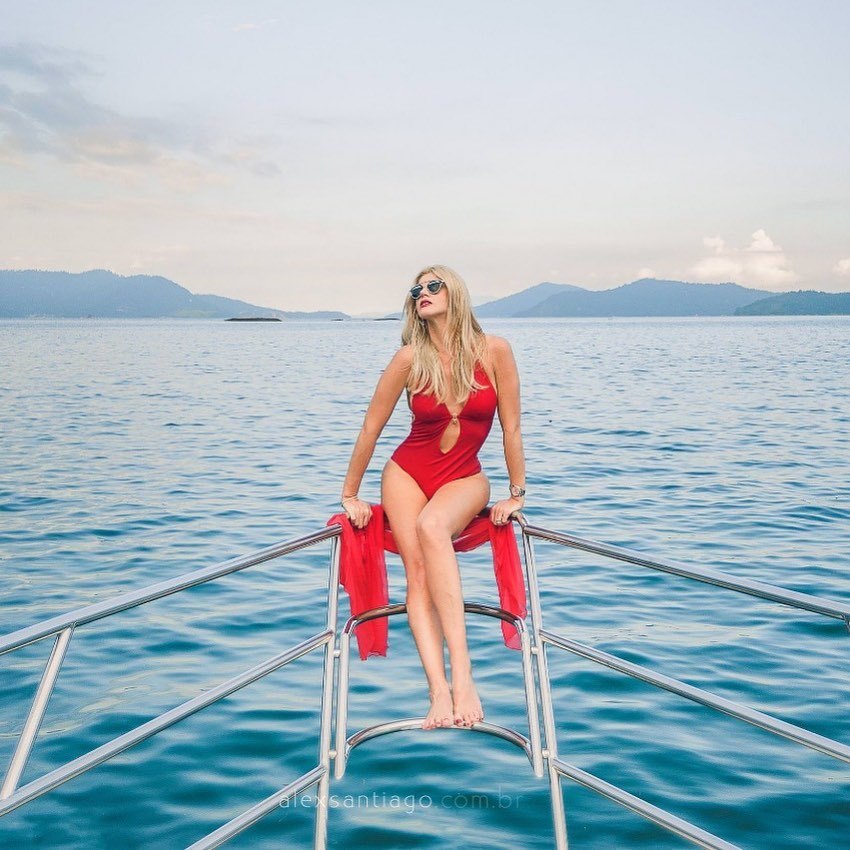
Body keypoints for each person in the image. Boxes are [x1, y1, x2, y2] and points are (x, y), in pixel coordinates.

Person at [339, 264, 526, 730]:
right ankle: (438, 690)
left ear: (454, 292)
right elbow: (370, 428)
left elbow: (512, 429)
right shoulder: (408, 359)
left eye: (432, 285)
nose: (422, 293)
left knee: (432, 527)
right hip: (406, 472)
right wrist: (350, 494)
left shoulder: (495, 351)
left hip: (466, 476)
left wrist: (516, 493)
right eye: (416, 290)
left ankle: (464, 679)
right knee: (416, 572)